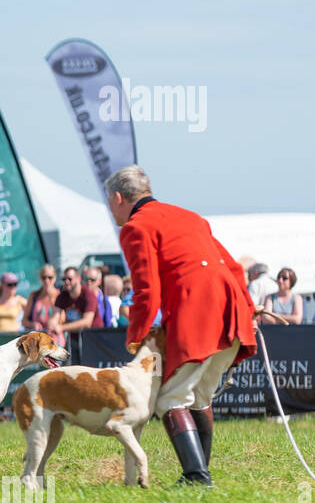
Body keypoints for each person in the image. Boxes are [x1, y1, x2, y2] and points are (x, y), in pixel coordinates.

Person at [107, 165, 256, 486]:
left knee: (170, 400)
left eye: (110, 201)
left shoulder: (135, 227)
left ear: (119, 198)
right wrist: (249, 310)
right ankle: (200, 476)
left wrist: (136, 336)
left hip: (199, 313)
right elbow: (234, 269)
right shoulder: (190, 217)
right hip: (232, 310)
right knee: (198, 398)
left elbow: (146, 291)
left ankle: (197, 477)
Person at [23, 264, 65, 346]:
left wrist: (51, 298)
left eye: (50, 277)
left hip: (55, 342)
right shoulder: (34, 296)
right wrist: (32, 324)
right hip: (37, 343)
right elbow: (24, 321)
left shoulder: (60, 295)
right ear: (40, 278)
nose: (47, 281)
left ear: (55, 277)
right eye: (44, 277)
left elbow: (62, 319)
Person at [55, 266, 98, 333]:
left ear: (78, 278)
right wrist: (52, 324)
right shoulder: (63, 296)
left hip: (93, 339)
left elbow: (87, 322)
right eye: (64, 279)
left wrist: (62, 327)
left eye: (70, 279)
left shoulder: (89, 295)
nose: (66, 282)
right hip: (74, 340)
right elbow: (55, 316)